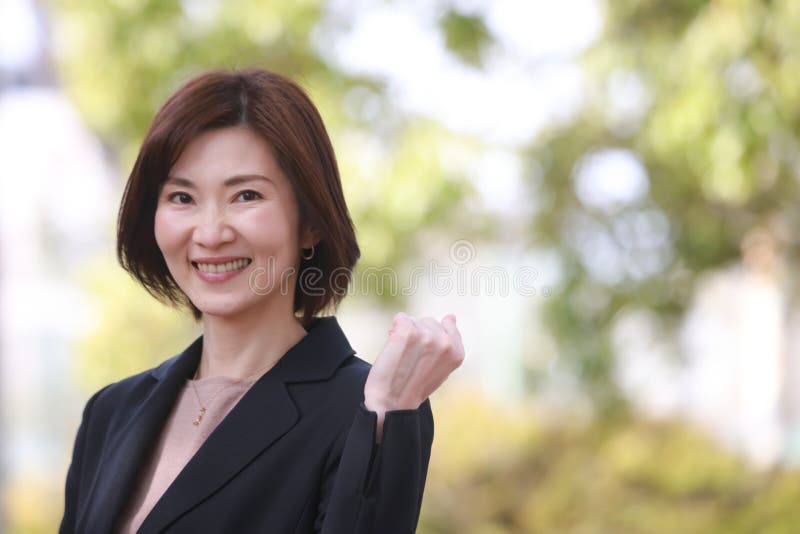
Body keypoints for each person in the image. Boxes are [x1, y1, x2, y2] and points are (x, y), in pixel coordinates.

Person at [59, 68, 465, 534]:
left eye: (246, 195)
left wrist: (384, 416)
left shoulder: (368, 409)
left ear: (310, 222)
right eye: (182, 197)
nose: (210, 233)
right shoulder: (112, 412)